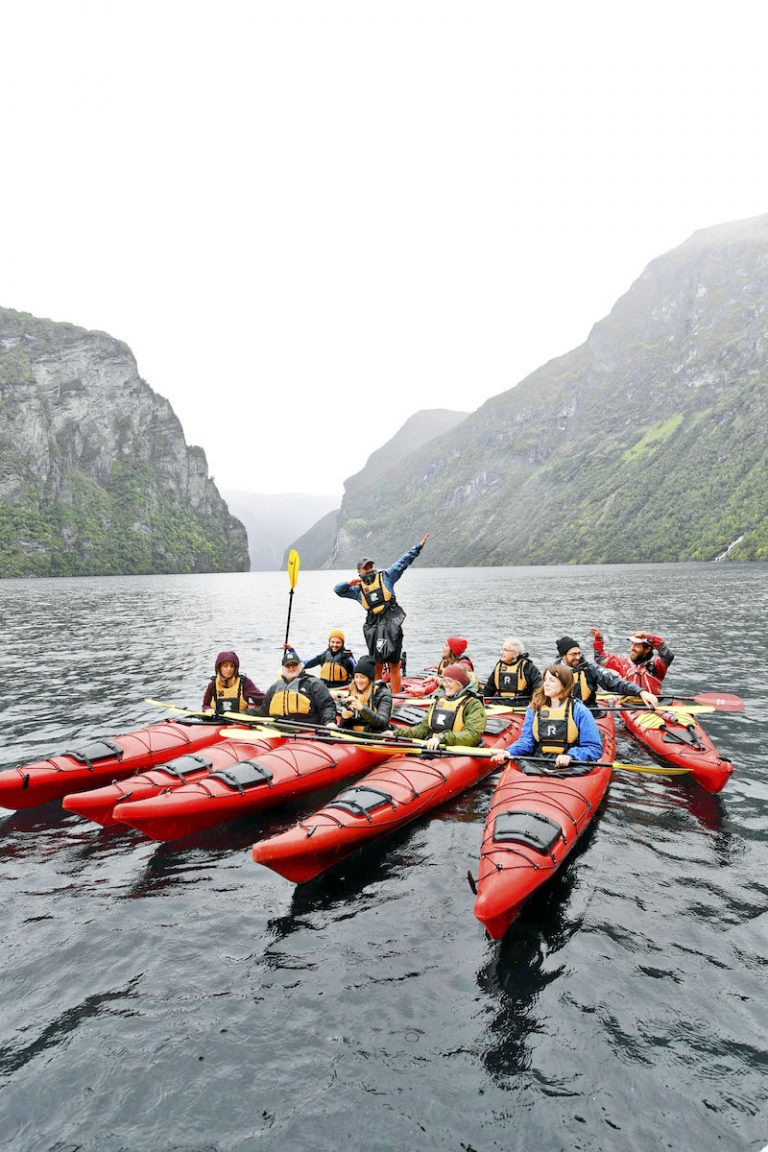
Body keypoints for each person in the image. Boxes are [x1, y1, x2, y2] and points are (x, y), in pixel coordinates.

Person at [334, 534, 429, 695]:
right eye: (366, 567)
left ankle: (396, 695)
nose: (369, 569)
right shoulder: (357, 590)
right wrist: (349, 583)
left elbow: (403, 562)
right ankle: (379, 694)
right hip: (374, 626)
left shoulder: (386, 577)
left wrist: (418, 547)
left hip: (391, 623)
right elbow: (338, 590)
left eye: (371, 566)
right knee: (377, 663)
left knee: (394, 663)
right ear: (359, 571)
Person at [490, 664, 603, 769]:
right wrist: (508, 752)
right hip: (538, 762)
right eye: (545, 680)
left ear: (564, 684)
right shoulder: (534, 708)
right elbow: (526, 741)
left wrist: (571, 756)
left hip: (570, 766)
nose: (546, 684)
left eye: (552, 680)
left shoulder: (580, 710)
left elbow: (594, 748)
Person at [385, 663, 486, 750]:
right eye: (444, 681)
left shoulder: (474, 705)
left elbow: (473, 735)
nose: (445, 685)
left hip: (455, 749)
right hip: (435, 747)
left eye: (449, 681)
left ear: (460, 684)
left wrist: (441, 738)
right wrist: (397, 733)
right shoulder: (439, 701)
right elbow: (423, 729)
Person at [555, 636, 659, 708]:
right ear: (563, 656)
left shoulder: (590, 669)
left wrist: (640, 691)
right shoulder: (553, 672)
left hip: (589, 712)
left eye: (579, 653)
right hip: (563, 712)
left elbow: (616, 682)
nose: (577, 657)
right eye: (573, 654)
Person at [257, 648, 338, 726]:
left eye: (294, 665)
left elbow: (327, 706)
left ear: (301, 666)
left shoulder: (314, 684)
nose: (291, 668)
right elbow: (263, 711)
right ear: (283, 669)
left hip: (306, 730)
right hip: (278, 729)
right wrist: (246, 713)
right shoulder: (274, 688)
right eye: (288, 666)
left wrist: (329, 722)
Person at [590, 627, 674, 695]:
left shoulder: (657, 665)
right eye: (632, 644)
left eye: (637, 645)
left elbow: (668, 655)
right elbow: (600, 658)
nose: (632, 648)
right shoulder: (623, 663)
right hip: (628, 705)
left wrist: (649, 637)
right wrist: (598, 639)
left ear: (647, 649)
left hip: (652, 703)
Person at [337, 656, 392, 733]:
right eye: (356, 677)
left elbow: (383, 723)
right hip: (353, 734)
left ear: (369, 679)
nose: (358, 681)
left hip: (373, 734)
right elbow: (344, 726)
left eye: (362, 677)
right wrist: (345, 718)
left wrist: (362, 709)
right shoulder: (353, 690)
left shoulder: (383, 694)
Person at [202, 650, 264, 716]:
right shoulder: (212, 685)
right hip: (218, 721)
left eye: (232, 666)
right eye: (225, 666)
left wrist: (254, 711)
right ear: (219, 668)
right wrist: (207, 709)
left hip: (240, 721)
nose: (229, 669)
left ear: (235, 668)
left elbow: (261, 700)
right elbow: (205, 705)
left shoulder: (245, 683)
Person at [483, 637, 542, 703]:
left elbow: (539, 688)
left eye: (505, 650)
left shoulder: (528, 667)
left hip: (521, 704)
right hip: (499, 703)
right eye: (502, 649)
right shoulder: (499, 666)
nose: (501, 653)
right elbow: (488, 690)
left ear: (516, 654)